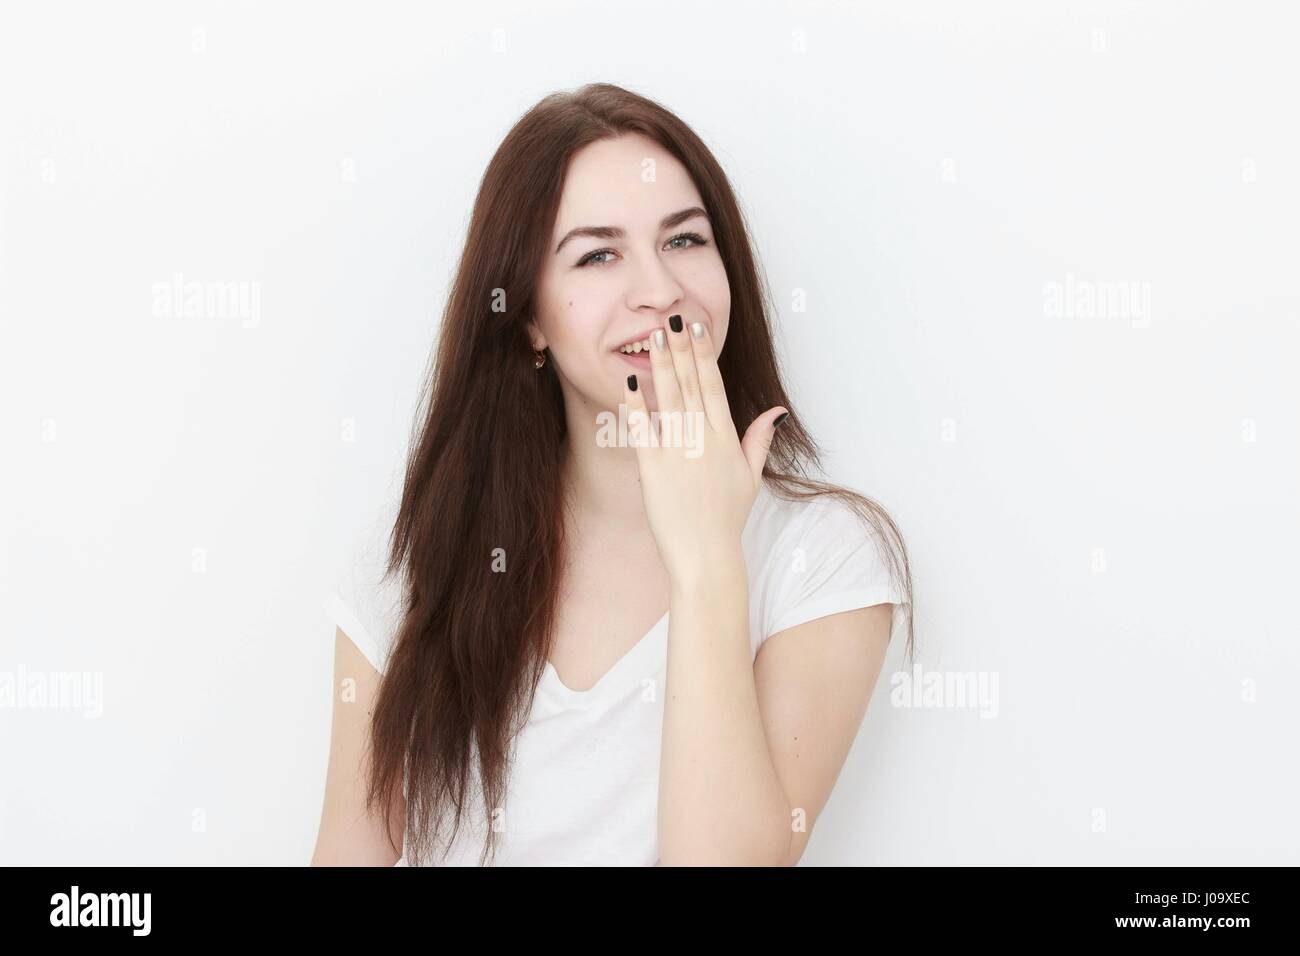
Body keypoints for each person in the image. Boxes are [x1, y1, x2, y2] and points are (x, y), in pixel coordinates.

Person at [312, 82, 913, 867]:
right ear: (528, 313)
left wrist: (705, 560)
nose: (660, 291)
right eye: (598, 254)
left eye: (686, 240)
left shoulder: (822, 559)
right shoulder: (414, 565)